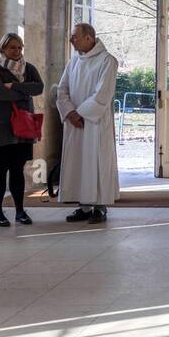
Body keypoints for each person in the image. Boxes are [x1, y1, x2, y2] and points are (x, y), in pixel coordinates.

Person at [54, 22, 119, 223]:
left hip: (94, 122)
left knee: (96, 161)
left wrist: (80, 114)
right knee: (77, 163)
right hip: (75, 122)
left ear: (89, 37)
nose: (71, 40)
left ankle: (100, 207)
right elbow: (61, 90)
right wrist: (70, 112)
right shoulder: (73, 61)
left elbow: (102, 94)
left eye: (75, 36)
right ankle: (83, 206)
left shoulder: (107, 61)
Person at [0, 32, 44, 226]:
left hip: (23, 126)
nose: (17, 51)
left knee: (18, 170)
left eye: (19, 47)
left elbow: (38, 88)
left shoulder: (29, 68)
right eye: (12, 47)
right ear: (3, 49)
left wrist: (14, 86)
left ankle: (20, 211)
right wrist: (22, 91)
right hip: (0, 126)